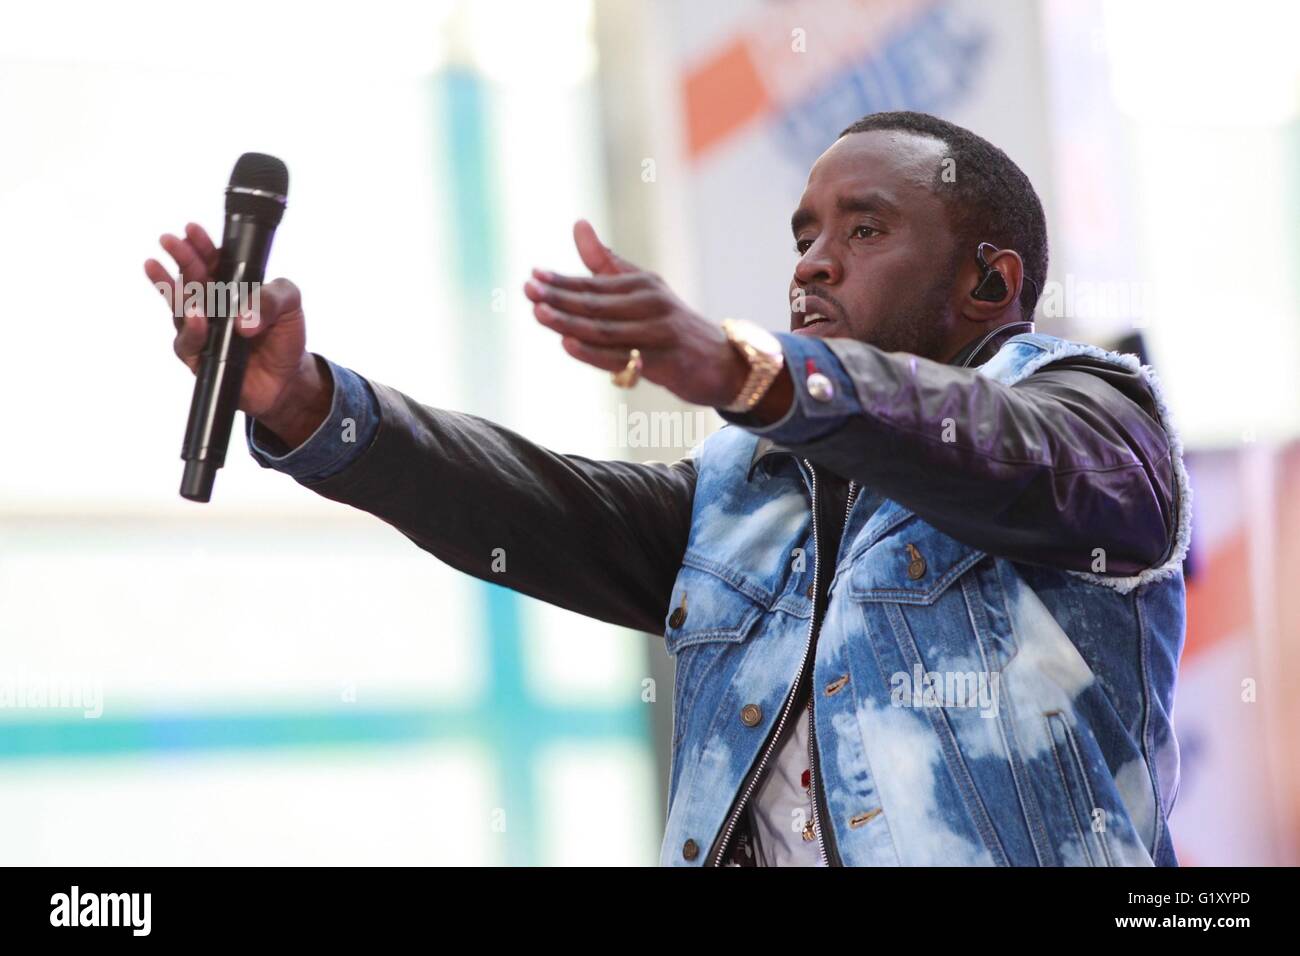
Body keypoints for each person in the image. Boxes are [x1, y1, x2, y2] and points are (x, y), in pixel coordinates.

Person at [145, 111, 1188, 867]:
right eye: (803, 237)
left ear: (988, 284)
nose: (813, 266)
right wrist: (306, 402)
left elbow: (1002, 451)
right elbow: (530, 505)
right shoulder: (746, 489)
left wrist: (747, 367)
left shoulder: (1093, 421)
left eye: (862, 230)